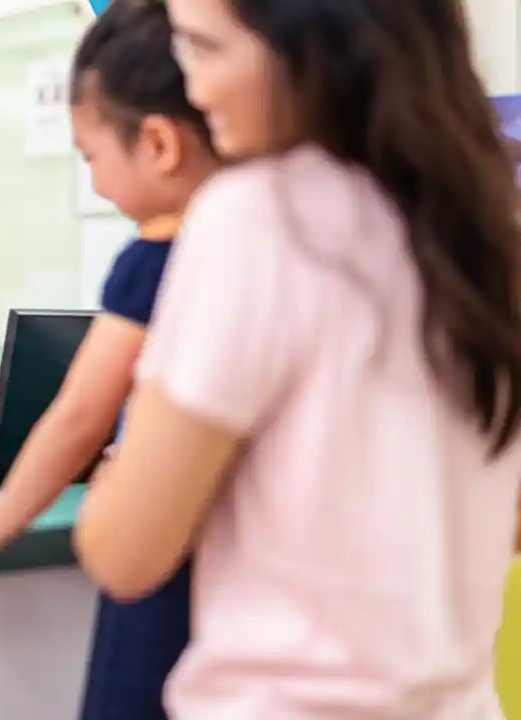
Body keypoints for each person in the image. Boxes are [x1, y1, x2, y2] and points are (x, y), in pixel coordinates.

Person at [72, 0, 521, 717]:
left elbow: (126, 553)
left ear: (310, 44)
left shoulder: (258, 216)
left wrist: (119, 481)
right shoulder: (486, 233)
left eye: (207, 50)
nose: (194, 88)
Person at [0, 2, 218, 717]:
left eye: (92, 157)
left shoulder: (156, 259)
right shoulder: (279, 242)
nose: (97, 182)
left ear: (159, 145)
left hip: (162, 570)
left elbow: (79, 412)